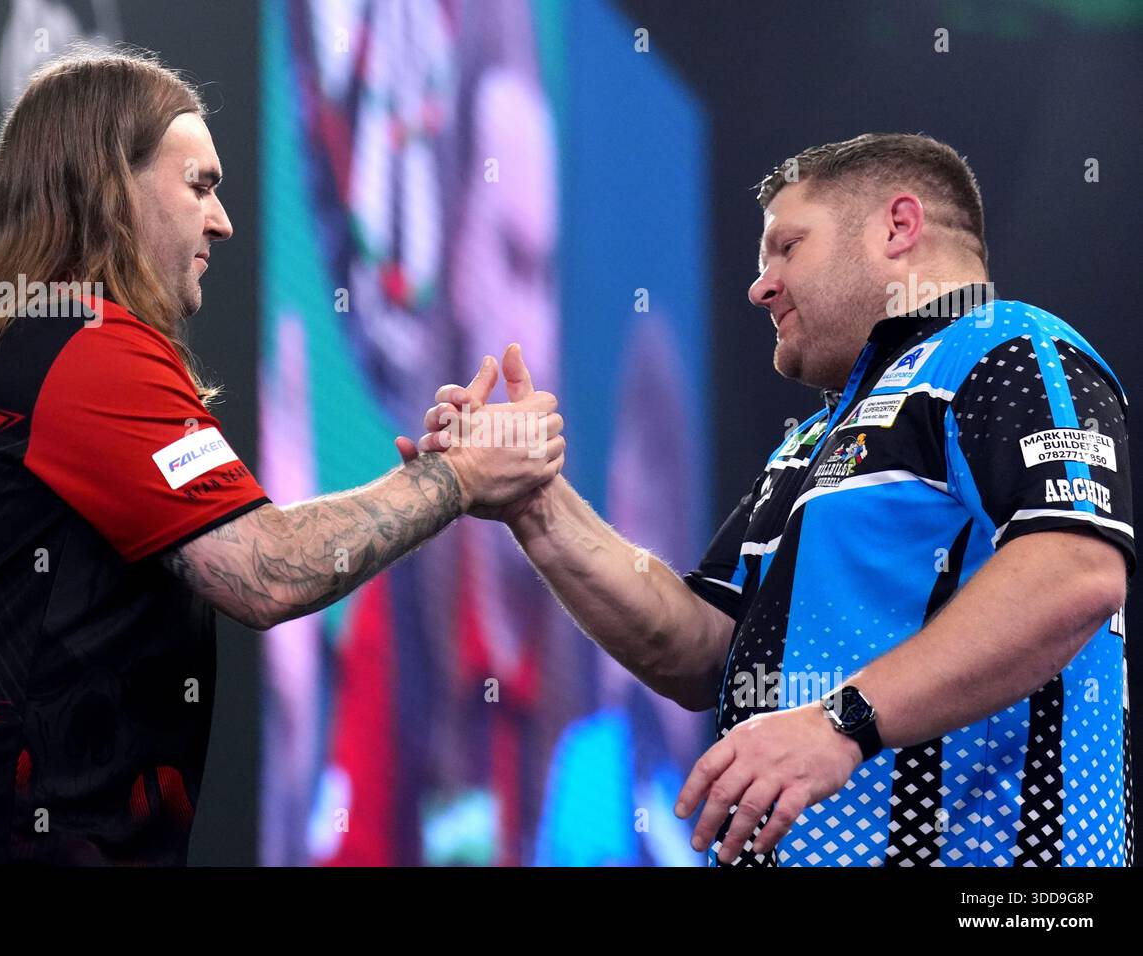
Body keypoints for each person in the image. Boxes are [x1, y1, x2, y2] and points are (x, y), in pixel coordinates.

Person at [0, 49, 562, 866]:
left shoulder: (7, 356)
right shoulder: (87, 347)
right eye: (199, 185)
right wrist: (457, 477)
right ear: (113, 187)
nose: (220, 220)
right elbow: (269, 569)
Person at [415, 132, 1133, 867]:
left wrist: (840, 722)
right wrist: (532, 498)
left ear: (899, 227)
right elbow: (695, 647)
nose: (761, 285)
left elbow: (1075, 569)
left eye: (787, 247)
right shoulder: (809, 443)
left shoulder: (1008, 345)